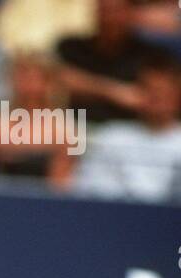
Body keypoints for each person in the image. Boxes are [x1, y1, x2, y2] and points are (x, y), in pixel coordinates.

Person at [73, 53, 181, 199]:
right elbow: (90, 191)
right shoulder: (110, 136)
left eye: (164, 92)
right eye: (150, 90)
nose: (157, 98)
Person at [58, 0, 165, 124]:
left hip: (133, 129)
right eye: (106, 11)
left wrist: (87, 86)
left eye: (117, 11)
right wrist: (115, 92)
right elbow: (61, 78)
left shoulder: (149, 55)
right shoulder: (72, 48)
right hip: (79, 126)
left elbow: (154, 96)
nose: (111, 18)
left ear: (131, 13)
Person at [0, 53, 75, 186]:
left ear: (49, 83)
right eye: (21, 76)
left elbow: (60, 185)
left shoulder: (63, 130)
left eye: (32, 77)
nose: (25, 83)